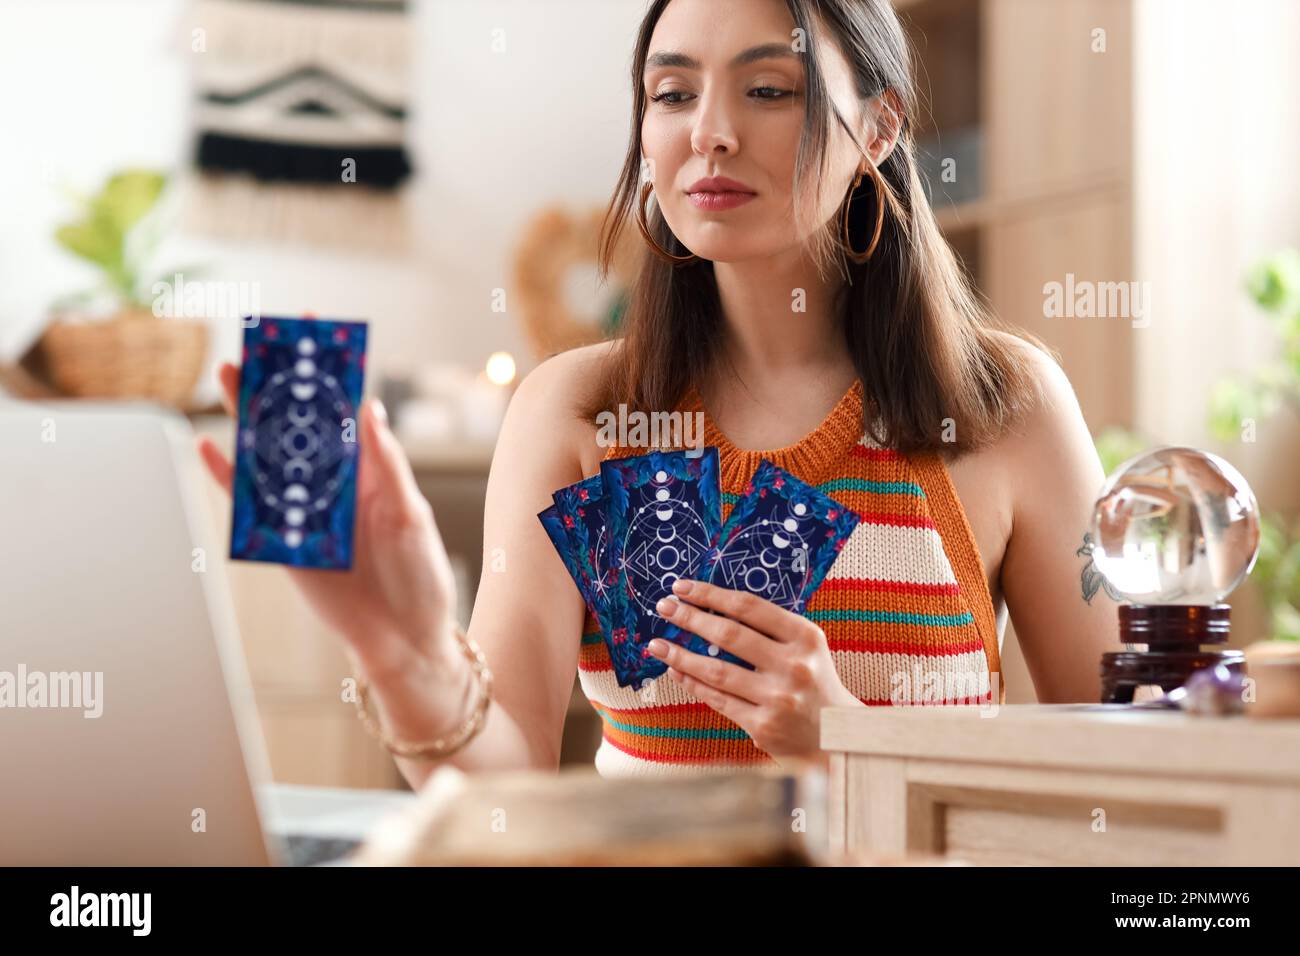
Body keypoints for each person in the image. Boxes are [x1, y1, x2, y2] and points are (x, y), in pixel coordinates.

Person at [198, 0, 1116, 785]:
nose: (709, 132)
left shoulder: (1010, 406)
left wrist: (857, 746)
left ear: (877, 129)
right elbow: (502, 779)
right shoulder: (575, 414)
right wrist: (404, 655)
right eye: (672, 93)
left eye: (768, 89)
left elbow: (1128, 786)